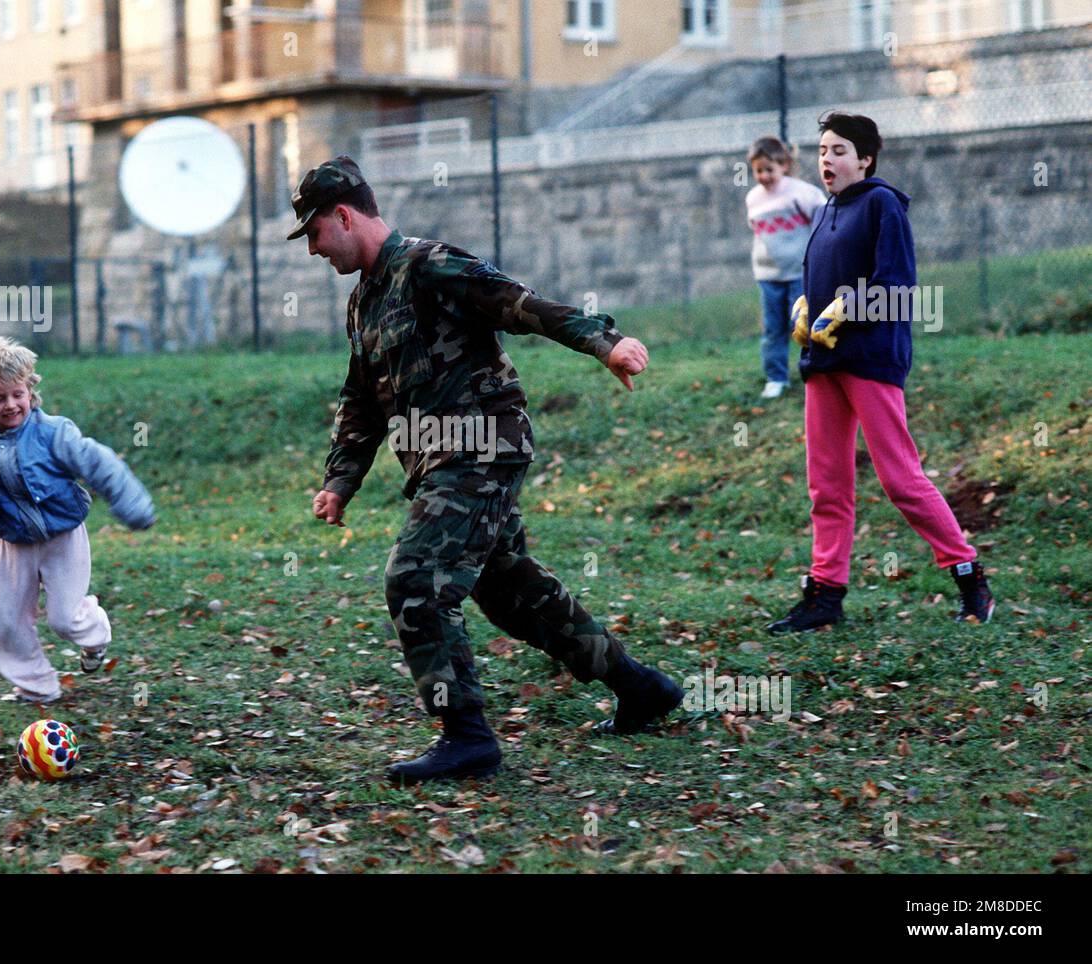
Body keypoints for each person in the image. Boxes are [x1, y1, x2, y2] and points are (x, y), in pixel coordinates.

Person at [291, 156, 685, 784]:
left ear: (343, 215)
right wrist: (340, 480)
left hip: (481, 446)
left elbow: (516, 303)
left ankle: (467, 738)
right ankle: (643, 689)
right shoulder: (363, 300)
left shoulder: (430, 264)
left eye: (314, 234)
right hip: (436, 462)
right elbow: (362, 397)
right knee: (510, 594)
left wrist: (602, 341)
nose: (312, 250)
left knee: (416, 579)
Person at [768, 113, 995, 634]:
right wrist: (806, 308)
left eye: (840, 150)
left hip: (871, 358)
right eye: (823, 150)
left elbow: (896, 285)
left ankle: (969, 575)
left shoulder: (881, 203)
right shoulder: (828, 210)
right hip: (823, 362)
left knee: (901, 479)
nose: (827, 159)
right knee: (826, 485)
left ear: (866, 158)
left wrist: (842, 311)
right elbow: (823, 282)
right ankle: (826, 595)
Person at [0, 337, 155, 702]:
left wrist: (133, 505)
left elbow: (98, 463)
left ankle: (96, 637)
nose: (10, 405)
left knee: (65, 619)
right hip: (11, 543)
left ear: (30, 390)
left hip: (62, 537)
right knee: (3, 621)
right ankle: (37, 687)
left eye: (16, 394)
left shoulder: (54, 433)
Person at [744, 136, 827, 399]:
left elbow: (823, 218)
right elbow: (757, 230)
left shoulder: (802, 193)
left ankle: (816, 370)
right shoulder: (754, 198)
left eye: (769, 169)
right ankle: (776, 377)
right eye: (758, 170)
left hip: (799, 274)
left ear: (784, 165)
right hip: (768, 276)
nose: (764, 176)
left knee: (804, 324)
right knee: (773, 328)